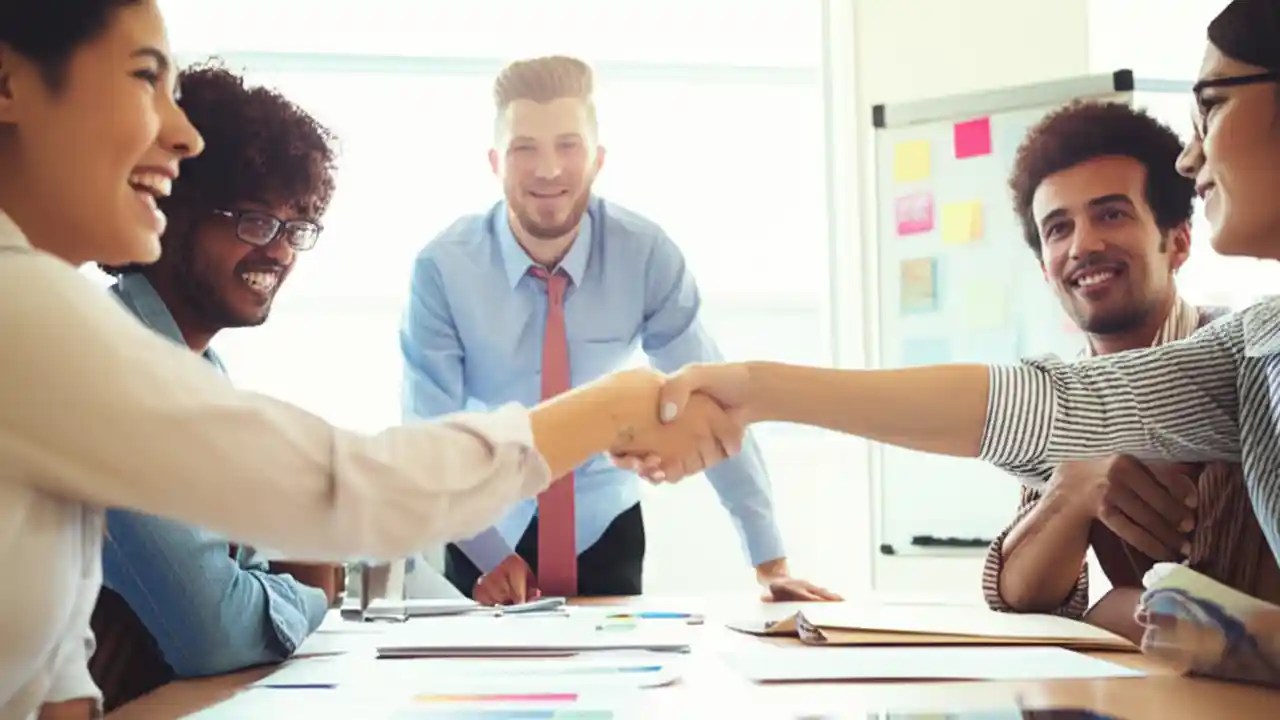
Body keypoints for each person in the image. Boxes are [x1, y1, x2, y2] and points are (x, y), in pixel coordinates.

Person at [0, 3, 732, 717]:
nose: (183, 133)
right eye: (143, 77)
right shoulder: (35, 321)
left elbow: (60, 674)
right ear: (8, 84)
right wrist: (609, 410)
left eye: (295, 227)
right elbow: (338, 495)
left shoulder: (67, 323)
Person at [638, 0, 1280, 687]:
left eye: (1211, 107)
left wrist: (1211, 629)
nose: (1191, 156)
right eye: (1058, 228)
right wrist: (759, 390)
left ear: (1175, 242)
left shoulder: (1230, 343)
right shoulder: (1248, 348)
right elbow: (1036, 408)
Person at [400, 55, 837, 604]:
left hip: (604, 528)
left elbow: (712, 396)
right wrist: (488, 552)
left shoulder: (645, 255)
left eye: (568, 145)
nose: (548, 170)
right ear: (495, 162)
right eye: (524, 148)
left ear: (598, 158)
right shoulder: (442, 269)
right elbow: (429, 435)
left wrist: (770, 562)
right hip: (481, 525)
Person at [85, 62, 349, 710]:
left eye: (296, 227)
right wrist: (317, 593)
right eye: (255, 221)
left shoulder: (200, 371)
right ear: (173, 214)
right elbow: (216, 631)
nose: (280, 251)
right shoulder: (115, 368)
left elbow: (241, 570)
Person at [980, 100, 1280, 643]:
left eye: (1111, 214)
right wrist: (1076, 485)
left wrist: (1101, 612)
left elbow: (1230, 601)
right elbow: (1018, 594)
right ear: (1045, 269)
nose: (1083, 245)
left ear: (1178, 242)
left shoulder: (1248, 361)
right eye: (1058, 228)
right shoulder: (1067, 394)